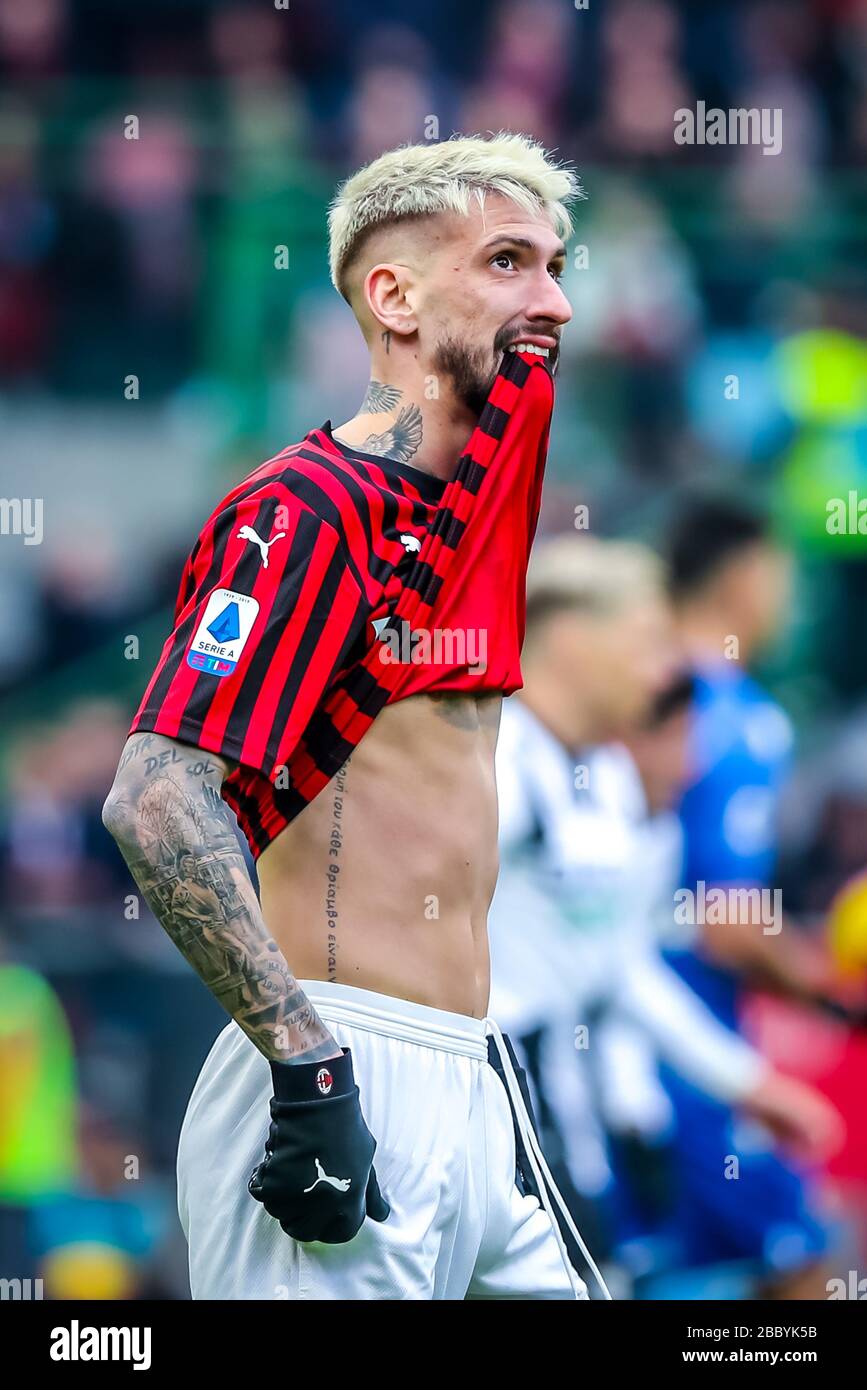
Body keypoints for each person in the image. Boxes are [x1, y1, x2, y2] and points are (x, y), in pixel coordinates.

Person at [102, 133, 600, 1300]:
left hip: (474, 1072)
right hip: (340, 1066)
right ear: (395, 296)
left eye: (558, 264)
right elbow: (157, 794)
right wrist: (308, 1062)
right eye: (511, 263)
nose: (558, 303)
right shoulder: (306, 510)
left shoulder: (477, 518)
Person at [487, 537, 842, 1284]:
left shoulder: (609, 783)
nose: (665, 669)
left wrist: (746, 1082)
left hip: (565, 1130)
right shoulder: (487, 761)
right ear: (573, 638)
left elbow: (620, 970)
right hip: (476, 1119)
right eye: (647, 640)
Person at [663, 494, 844, 1298]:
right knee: (802, 1265)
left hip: (613, 1046)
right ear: (741, 577)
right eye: (782, 575)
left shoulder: (641, 694)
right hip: (689, 1050)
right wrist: (832, 988)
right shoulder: (735, 720)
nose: (791, 600)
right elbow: (724, 922)